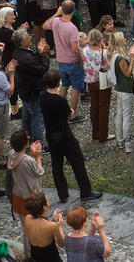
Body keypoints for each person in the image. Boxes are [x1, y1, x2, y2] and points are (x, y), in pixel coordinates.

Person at [39, 69, 103, 203]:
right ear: (58, 83)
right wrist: (72, 112)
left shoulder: (42, 97)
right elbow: (70, 114)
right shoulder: (59, 100)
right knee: (77, 162)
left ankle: (62, 194)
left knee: (57, 165)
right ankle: (85, 191)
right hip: (64, 135)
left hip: (51, 135)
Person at [8, 130, 44, 258]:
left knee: (25, 227)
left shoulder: (12, 156)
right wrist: (38, 156)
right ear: (26, 144)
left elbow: (25, 165)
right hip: (30, 198)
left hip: (17, 196)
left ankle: (27, 254)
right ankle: (35, 254)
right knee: (34, 227)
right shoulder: (28, 160)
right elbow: (39, 171)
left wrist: (32, 154)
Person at [23, 192, 66, 262]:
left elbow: (40, 228)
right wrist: (59, 225)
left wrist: (52, 220)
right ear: (45, 207)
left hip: (35, 257)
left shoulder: (27, 218)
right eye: (48, 200)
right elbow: (62, 243)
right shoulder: (53, 226)